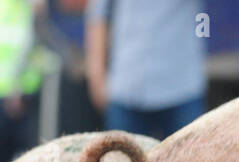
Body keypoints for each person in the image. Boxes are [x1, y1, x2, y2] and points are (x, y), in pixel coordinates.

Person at [84, 0, 207, 139]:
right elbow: (97, 14)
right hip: (127, 88)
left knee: (188, 159)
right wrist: (96, 74)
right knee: (121, 159)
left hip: (182, 88)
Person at [0, 0, 46, 162]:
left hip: (24, 95)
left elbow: (29, 45)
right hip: (0, 95)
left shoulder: (32, 6)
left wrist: (16, 87)